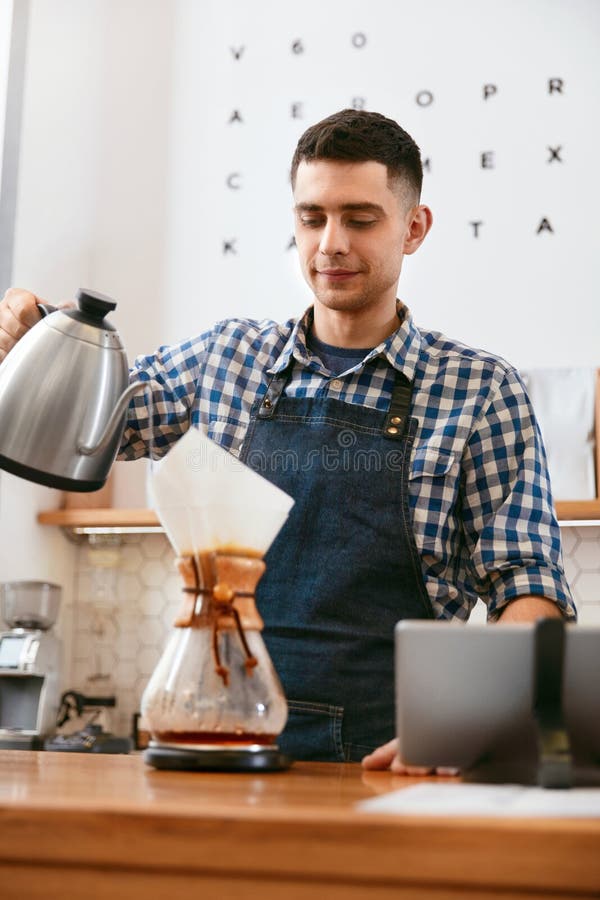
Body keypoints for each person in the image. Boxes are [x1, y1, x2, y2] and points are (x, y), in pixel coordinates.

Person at [0, 109, 575, 772]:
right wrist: (32, 334)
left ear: (414, 228)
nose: (331, 243)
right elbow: (94, 420)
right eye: (312, 217)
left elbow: (531, 592)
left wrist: (462, 722)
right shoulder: (223, 359)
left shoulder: (479, 391)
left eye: (361, 219)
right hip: (212, 748)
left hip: (390, 769)